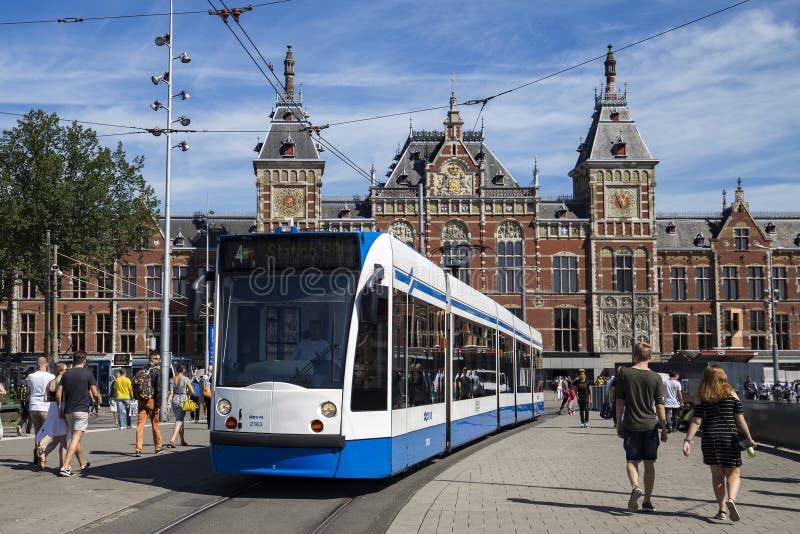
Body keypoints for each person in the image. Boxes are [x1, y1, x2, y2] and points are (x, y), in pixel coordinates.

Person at [682, 365, 757, 522]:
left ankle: (722, 510)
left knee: (717, 475)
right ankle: (732, 500)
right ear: (723, 377)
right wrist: (749, 439)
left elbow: (696, 420)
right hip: (728, 438)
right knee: (733, 472)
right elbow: (740, 420)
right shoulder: (732, 395)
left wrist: (687, 440)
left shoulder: (702, 396)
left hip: (709, 438)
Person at [615, 342, 668, 512]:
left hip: (631, 424)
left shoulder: (625, 373)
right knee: (649, 463)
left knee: (631, 461)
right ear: (650, 356)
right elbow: (660, 406)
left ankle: (635, 487)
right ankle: (647, 500)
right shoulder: (656, 377)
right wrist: (664, 428)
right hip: (650, 425)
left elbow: (619, 402)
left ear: (634, 355)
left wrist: (618, 423)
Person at [56, 351, 101, 477]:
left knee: (76, 437)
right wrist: (97, 403)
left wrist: (60, 409)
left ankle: (82, 463)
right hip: (81, 410)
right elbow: (95, 393)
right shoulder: (88, 374)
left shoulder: (66, 375)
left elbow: (58, 394)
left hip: (68, 411)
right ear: (84, 361)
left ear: (73, 360)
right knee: (76, 437)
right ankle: (65, 467)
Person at [35, 363, 70, 471]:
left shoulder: (50, 382)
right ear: (61, 370)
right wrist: (61, 409)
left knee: (56, 440)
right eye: (65, 369)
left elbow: (46, 398)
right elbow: (61, 397)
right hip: (60, 409)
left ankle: (44, 455)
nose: (67, 371)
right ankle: (63, 465)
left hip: (51, 409)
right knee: (63, 441)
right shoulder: (63, 381)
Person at [134, 352, 164, 456]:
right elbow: (158, 389)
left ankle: (138, 449)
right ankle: (158, 447)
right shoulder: (156, 371)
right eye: (158, 359)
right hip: (151, 400)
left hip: (141, 399)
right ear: (153, 359)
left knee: (140, 424)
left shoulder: (141, 370)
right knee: (155, 424)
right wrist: (159, 404)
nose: (159, 361)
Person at [27, 356, 55, 464]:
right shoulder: (51, 376)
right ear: (46, 365)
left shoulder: (31, 376)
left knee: (38, 432)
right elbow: (52, 391)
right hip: (45, 407)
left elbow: (29, 390)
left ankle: (39, 458)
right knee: (50, 431)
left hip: (33, 406)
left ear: (37, 365)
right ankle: (41, 448)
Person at [166, 363, 193, 448]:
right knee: (179, 420)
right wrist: (187, 393)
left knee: (180, 420)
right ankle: (173, 440)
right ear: (184, 370)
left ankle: (182, 440)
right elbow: (192, 391)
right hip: (183, 401)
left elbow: (171, 393)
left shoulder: (172, 379)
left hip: (174, 401)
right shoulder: (186, 379)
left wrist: (167, 403)